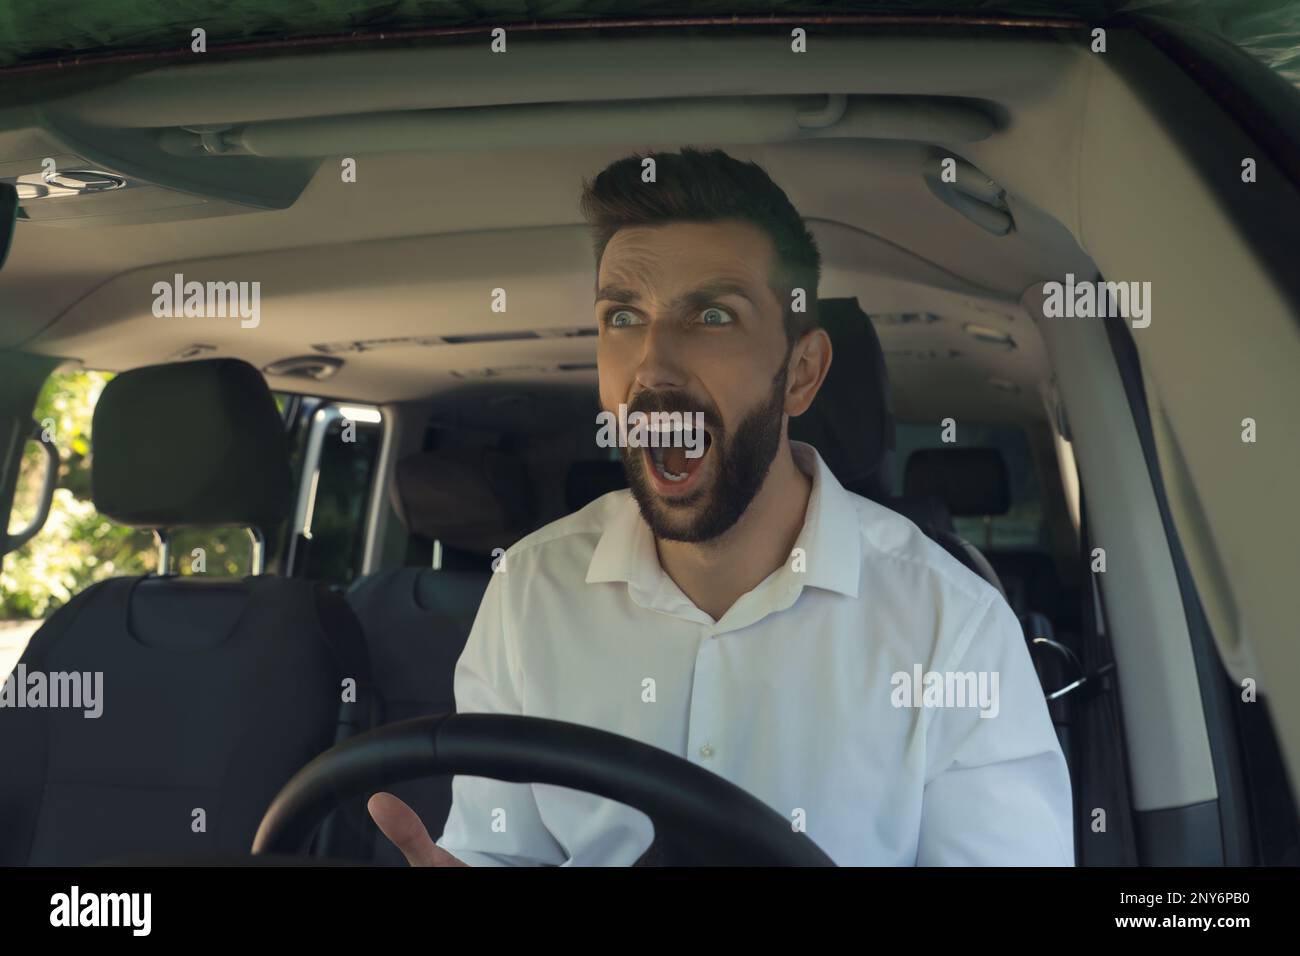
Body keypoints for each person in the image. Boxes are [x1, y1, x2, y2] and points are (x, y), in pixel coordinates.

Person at [367, 147, 1073, 866]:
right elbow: (505, 851)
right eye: (622, 316)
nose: (653, 364)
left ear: (800, 374)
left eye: (710, 314)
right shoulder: (530, 590)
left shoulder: (951, 624)